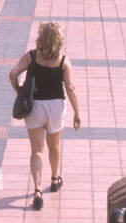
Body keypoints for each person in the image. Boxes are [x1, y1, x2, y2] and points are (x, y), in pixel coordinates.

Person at [8, 22, 82, 211]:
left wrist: (20, 92)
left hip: (35, 107)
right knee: (54, 145)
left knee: (36, 150)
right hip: (56, 106)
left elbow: (13, 73)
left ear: (41, 37)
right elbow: (70, 88)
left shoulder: (31, 56)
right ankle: (55, 178)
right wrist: (77, 112)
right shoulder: (64, 61)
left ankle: (37, 189)